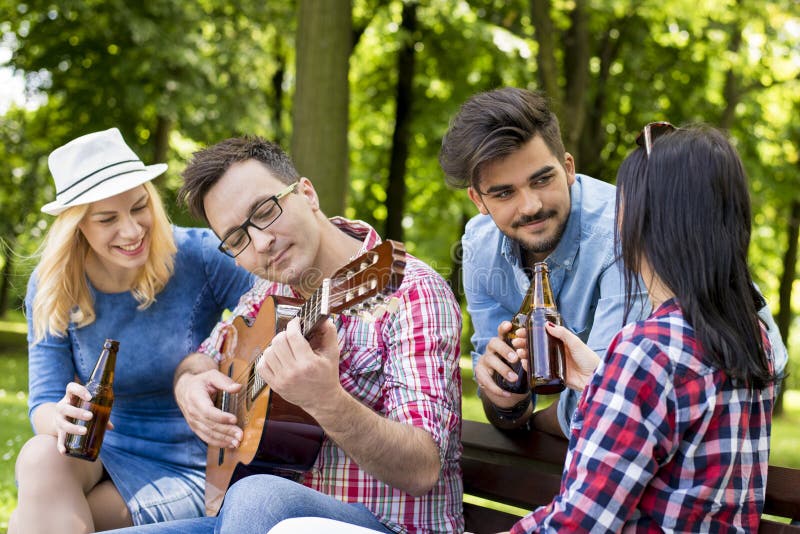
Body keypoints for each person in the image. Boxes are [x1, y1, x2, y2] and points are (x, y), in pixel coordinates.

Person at [105, 136, 463, 534]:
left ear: (306, 193)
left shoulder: (409, 291)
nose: (261, 243)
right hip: (260, 520)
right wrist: (189, 385)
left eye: (264, 211)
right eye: (238, 239)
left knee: (259, 496)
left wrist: (326, 401)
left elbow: (422, 468)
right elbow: (202, 356)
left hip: (387, 525)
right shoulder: (269, 295)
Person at [509, 123, 778, 532]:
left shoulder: (649, 350)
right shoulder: (752, 338)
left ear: (642, 221)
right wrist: (599, 381)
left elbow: (579, 524)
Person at [12, 128, 254, 533]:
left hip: (194, 463)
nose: (131, 231)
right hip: (101, 453)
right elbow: (43, 405)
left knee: (28, 523)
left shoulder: (197, 255)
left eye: (139, 207)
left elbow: (276, 302)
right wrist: (64, 417)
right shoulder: (54, 283)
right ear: (77, 227)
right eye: (107, 219)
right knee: (39, 457)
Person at [439, 87, 647, 437]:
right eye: (504, 192)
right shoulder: (478, 245)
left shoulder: (622, 231)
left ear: (567, 168)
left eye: (542, 179)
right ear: (478, 200)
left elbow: (609, 396)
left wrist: (535, 425)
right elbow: (503, 409)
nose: (531, 206)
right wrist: (507, 397)